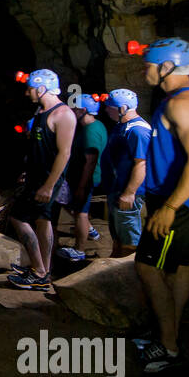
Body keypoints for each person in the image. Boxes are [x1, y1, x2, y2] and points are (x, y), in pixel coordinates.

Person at [132, 39, 189, 373]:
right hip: (176, 198)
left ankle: (167, 346)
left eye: (149, 64)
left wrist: (168, 207)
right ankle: (169, 331)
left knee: (147, 267)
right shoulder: (178, 100)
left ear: (167, 67)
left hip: (175, 203)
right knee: (178, 267)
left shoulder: (184, 105)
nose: (145, 70)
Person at [7, 69, 76, 291]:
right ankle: (43, 272)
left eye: (30, 88)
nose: (27, 93)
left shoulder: (63, 115)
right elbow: (39, 148)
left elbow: (64, 153)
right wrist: (28, 171)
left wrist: (48, 185)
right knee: (43, 222)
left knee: (18, 217)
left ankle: (38, 271)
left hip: (47, 181)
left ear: (42, 88)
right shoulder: (41, 113)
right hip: (37, 178)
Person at [100, 88, 151, 258]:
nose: (106, 110)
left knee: (129, 237)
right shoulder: (122, 126)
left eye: (110, 107)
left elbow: (141, 164)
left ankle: (129, 271)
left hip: (128, 193)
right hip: (116, 189)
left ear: (122, 109)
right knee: (117, 234)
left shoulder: (138, 131)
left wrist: (129, 193)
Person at [57, 94, 107, 262]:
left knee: (81, 214)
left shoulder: (90, 132)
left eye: (74, 108)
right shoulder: (95, 126)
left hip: (85, 179)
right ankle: (90, 230)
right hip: (82, 177)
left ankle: (80, 250)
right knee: (70, 205)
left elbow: (90, 161)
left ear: (82, 110)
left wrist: (82, 186)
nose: (70, 110)